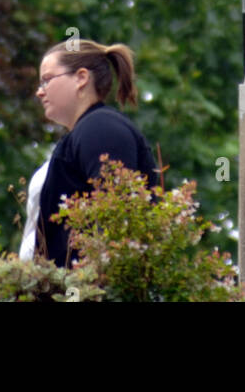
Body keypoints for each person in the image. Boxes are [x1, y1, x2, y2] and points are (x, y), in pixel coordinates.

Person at [20, 39, 160, 268]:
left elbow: (117, 220)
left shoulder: (101, 128)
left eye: (46, 80)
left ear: (81, 78)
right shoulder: (85, 132)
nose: (39, 92)